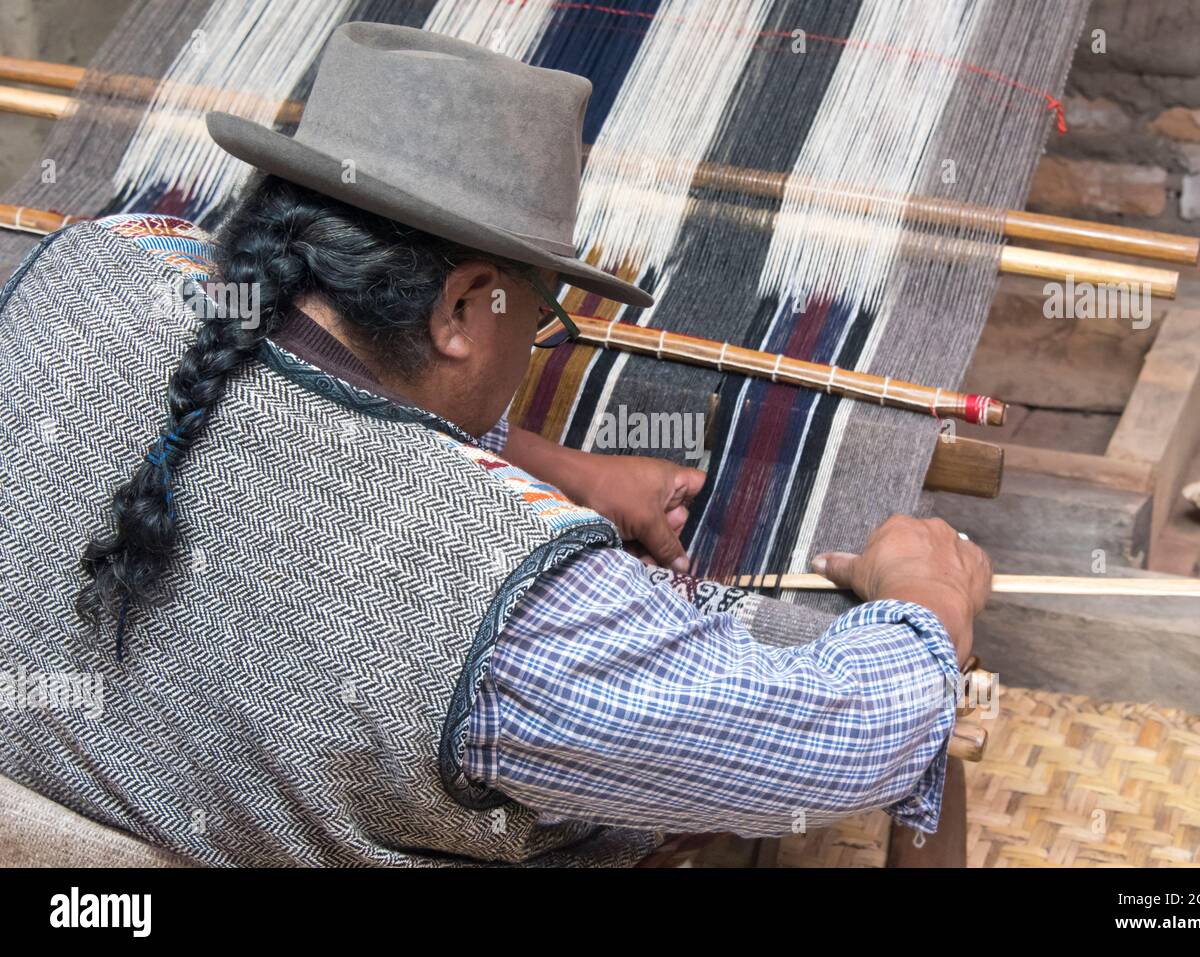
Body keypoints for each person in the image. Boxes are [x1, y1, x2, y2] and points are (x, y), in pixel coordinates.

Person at [0, 22, 990, 866]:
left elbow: (303, 397)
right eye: (540, 317)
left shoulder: (89, 270)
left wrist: (554, 468)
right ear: (466, 307)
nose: (534, 344)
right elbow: (849, 737)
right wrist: (926, 597)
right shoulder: (527, 627)